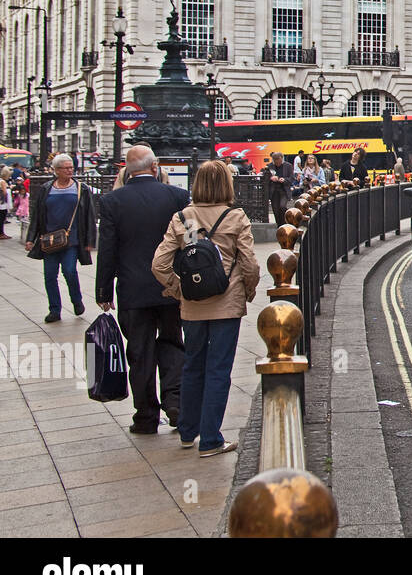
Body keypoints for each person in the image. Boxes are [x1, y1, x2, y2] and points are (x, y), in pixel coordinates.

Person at [152, 160, 260, 457]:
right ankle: (211, 439)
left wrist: (178, 289)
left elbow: (159, 265)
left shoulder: (184, 219)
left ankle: (188, 432)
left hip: (193, 304)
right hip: (226, 305)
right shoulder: (235, 217)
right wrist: (246, 291)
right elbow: (249, 264)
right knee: (218, 369)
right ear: (227, 184)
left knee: (193, 365)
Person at [95, 146, 192, 435]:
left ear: (126, 169)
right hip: (170, 286)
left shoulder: (112, 201)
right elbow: (190, 240)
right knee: (173, 341)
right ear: (155, 167)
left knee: (139, 351)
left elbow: (107, 249)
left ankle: (146, 415)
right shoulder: (176, 196)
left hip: (132, 290)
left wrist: (104, 290)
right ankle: (175, 401)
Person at [26, 153, 98, 323]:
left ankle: (76, 299)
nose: (70, 170)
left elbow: (89, 216)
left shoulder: (82, 188)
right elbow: (37, 215)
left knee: (69, 271)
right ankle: (54, 310)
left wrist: (89, 241)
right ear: (56, 170)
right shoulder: (46, 189)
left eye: (71, 167)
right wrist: (31, 238)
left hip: (72, 240)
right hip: (49, 240)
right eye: (66, 168)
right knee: (50, 275)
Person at [262, 151, 294, 224]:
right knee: (275, 210)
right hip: (274, 191)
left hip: (284, 190)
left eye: (279, 161)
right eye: (275, 162)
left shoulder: (288, 166)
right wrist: (271, 178)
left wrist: (284, 180)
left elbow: (292, 178)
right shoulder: (269, 166)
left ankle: (286, 221)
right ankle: (279, 225)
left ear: (282, 159)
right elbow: (265, 177)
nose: (277, 163)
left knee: (282, 206)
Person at [0, 166, 12, 240]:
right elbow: (5, 192)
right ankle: (1, 234)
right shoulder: (2, 181)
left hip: (0, 201)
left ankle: (2, 233)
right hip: (3, 202)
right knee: (2, 218)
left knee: (1, 218)